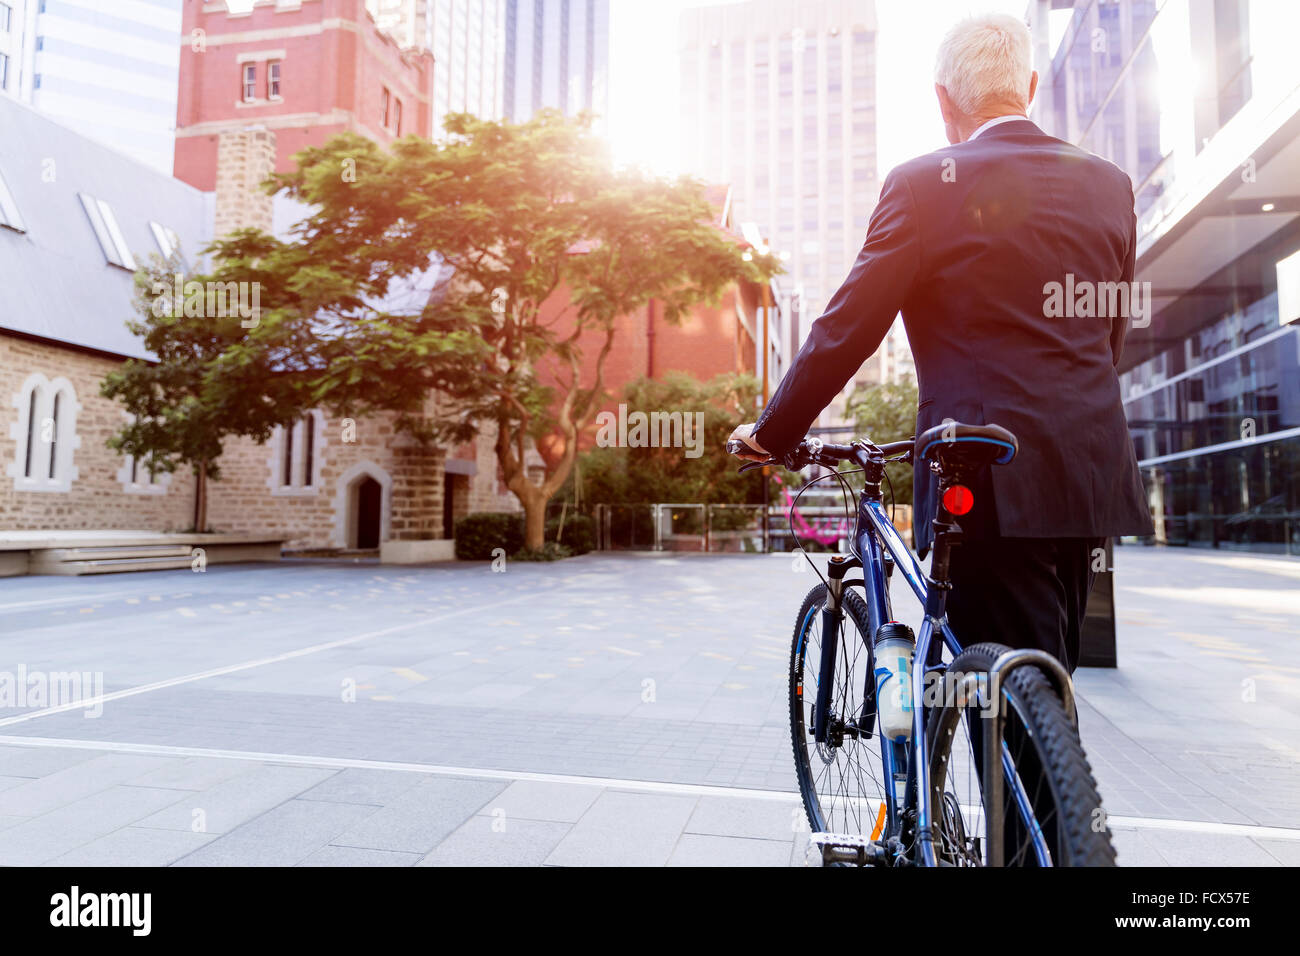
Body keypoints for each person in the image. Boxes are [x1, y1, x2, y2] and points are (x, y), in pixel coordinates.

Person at [729, 13, 1153, 673]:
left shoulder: (923, 185)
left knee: (1006, 705)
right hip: (1086, 468)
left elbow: (847, 328)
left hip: (983, 474)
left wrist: (773, 433)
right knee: (1046, 679)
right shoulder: (1108, 184)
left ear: (943, 99)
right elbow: (1109, 333)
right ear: (1031, 86)